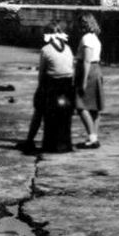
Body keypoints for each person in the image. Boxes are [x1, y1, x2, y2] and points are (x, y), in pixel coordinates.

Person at [19, 22, 75, 153]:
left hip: (53, 85)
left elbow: (42, 73)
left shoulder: (46, 49)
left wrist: (39, 90)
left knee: (38, 110)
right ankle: (63, 143)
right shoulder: (67, 48)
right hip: (67, 85)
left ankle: (29, 140)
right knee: (64, 116)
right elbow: (71, 68)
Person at [74, 13, 104, 150]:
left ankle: (92, 137)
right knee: (95, 107)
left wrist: (83, 81)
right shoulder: (95, 38)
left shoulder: (86, 38)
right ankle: (94, 137)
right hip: (96, 69)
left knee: (80, 105)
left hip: (88, 71)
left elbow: (87, 60)